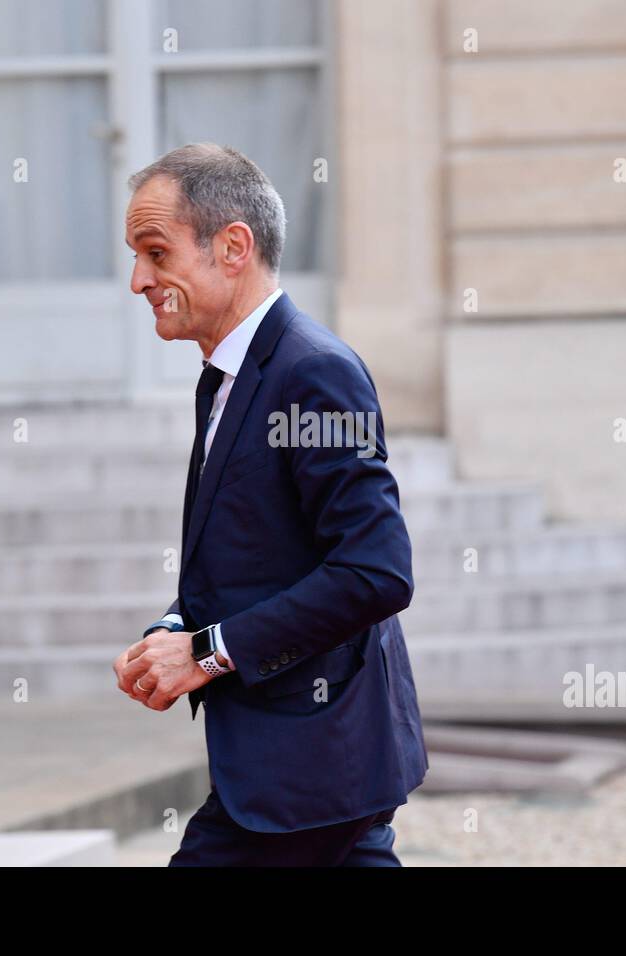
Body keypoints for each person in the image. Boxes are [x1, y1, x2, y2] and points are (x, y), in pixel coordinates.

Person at [113, 143, 429, 866]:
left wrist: (206, 653)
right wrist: (175, 628)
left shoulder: (314, 373)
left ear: (232, 247)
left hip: (311, 763)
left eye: (156, 253)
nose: (138, 280)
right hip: (308, 766)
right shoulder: (226, 375)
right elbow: (261, 556)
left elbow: (376, 572)